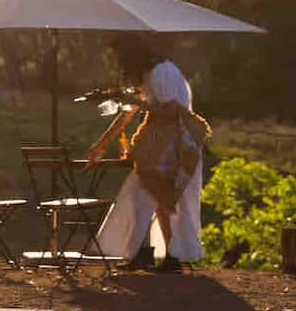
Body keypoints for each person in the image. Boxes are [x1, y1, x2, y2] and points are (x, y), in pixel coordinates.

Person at [86, 37, 211, 270]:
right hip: (160, 142)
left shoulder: (161, 72)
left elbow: (170, 110)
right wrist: (101, 144)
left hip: (174, 144)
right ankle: (149, 252)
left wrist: (132, 100)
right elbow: (128, 112)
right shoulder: (150, 74)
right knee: (151, 199)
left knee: (157, 198)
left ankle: (163, 255)